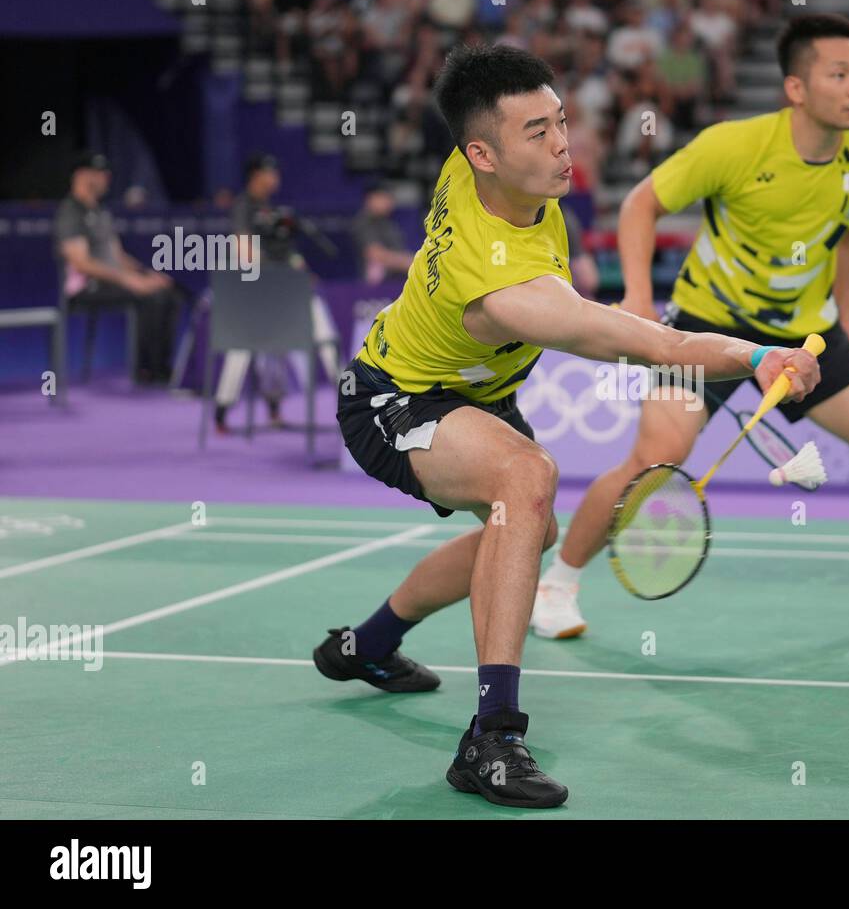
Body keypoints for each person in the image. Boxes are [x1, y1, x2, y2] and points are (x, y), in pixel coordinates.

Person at [317, 44, 820, 809]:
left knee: (528, 529)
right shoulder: (509, 290)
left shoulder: (484, 174)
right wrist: (756, 356)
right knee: (530, 477)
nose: (563, 145)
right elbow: (660, 346)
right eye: (538, 133)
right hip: (394, 397)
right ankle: (491, 739)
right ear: (481, 153)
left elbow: (478, 86)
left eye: (561, 122)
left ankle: (368, 645)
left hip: (470, 391)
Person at [531, 13, 849, 640]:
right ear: (797, 88)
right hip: (707, 325)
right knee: (655, 458)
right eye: (839, 74)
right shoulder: (733, 146)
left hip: (805, 337)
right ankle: (558, 583)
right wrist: (638, 294)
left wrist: (846, 318)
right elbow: (642, 202)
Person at [213, 153, 341, 433]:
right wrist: (280, 271)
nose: (275, 178)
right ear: (256, 175)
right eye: (270, 173)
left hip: (282, 293)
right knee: (243, 347)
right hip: (253, 294)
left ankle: (347, 402)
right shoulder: (244, 206)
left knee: (316, 334)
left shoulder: (270, 208)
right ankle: (221, 411)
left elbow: (286, 253)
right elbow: (244, 254)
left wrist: (295, 269)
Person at [53, 152, 183, 385]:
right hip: (85, 288)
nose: (106, 179)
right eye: (100, 174)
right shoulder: (70, 212)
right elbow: (82, 263)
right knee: (151, 298)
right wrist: (128, 280)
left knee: (168, 294)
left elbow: (118, 256)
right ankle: (146, 371)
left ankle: (162, 368)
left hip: (114, 281)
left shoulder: (101, 212)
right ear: (82, 175)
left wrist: (145, 273)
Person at [351, 182, 411, 285]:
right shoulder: (362, 223)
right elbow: (375, 254)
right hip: (371, 287)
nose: (390, 202)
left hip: (397, 281)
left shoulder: (389, 223)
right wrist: (410, 262)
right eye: (385, 197)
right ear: (371, 198)